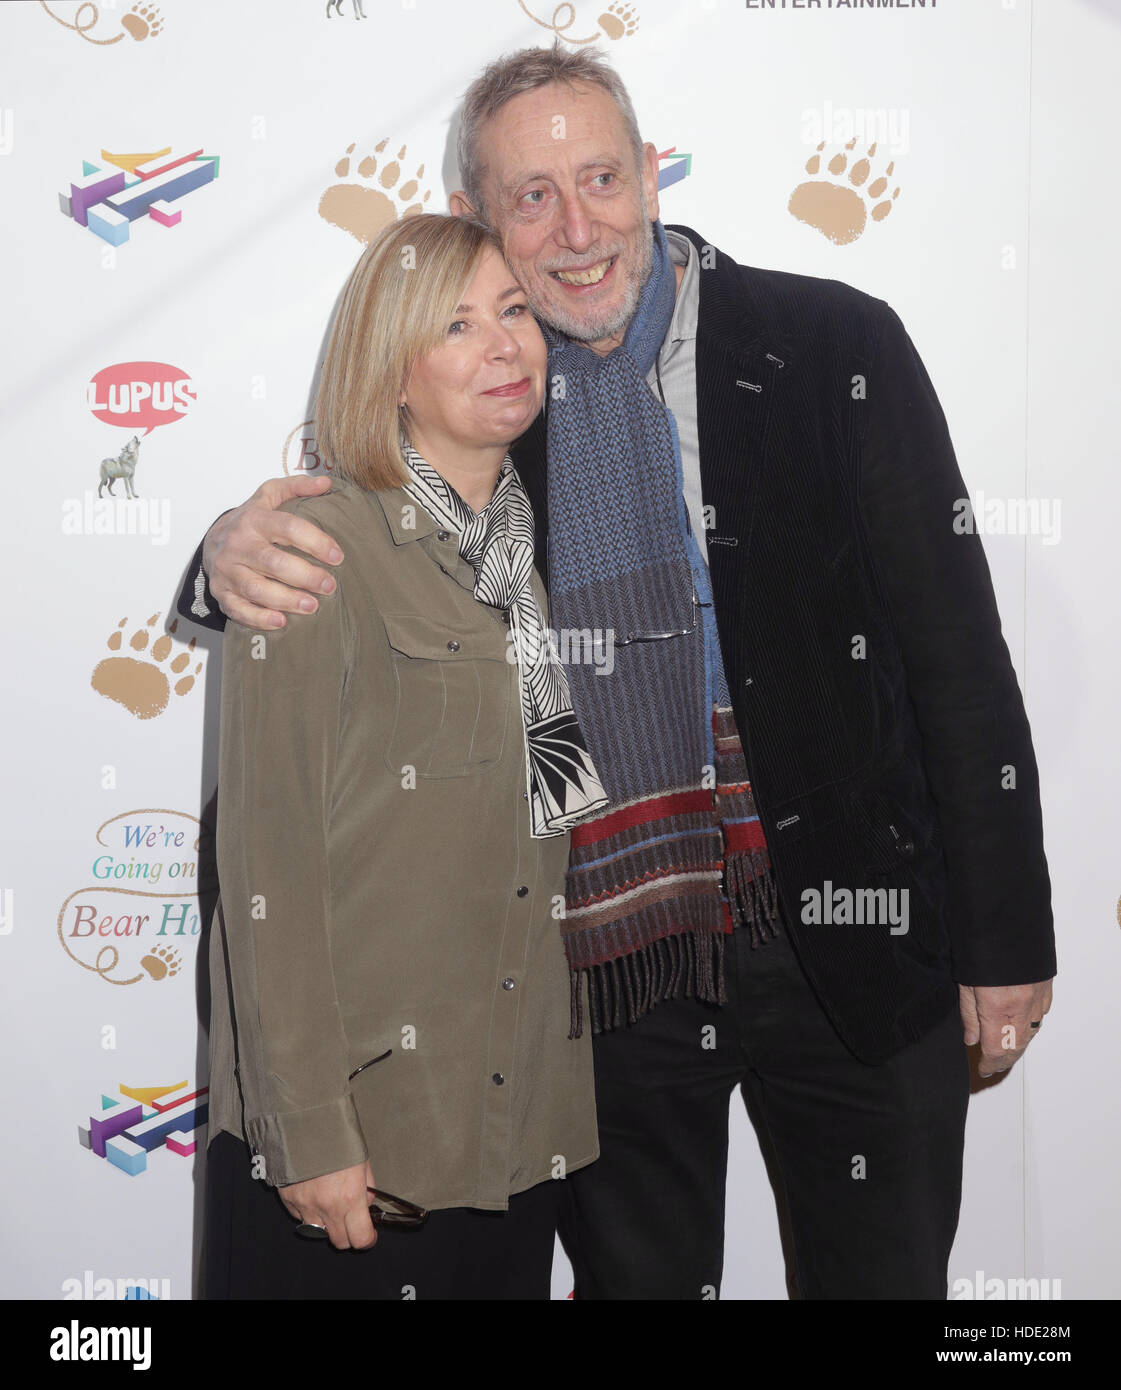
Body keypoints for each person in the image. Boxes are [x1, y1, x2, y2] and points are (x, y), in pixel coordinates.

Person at [183, 45, 1056, 1300]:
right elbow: (367, 516)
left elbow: (959, 657)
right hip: (599, 961)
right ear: (478, 219)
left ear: (651, 175)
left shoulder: (829, 343)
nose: (575, 225)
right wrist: (219, 555)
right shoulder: (494, 387)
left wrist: (1005, 933)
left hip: (851, 935)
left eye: (599, 177)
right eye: (529, 195)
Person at [203, 211, 603, 1301]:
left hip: (513, 1129)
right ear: (388, 373)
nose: (504, 344)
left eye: (513, 311)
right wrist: (310, 1130)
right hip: (362, 1144)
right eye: (456, 325)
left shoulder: (551, 543)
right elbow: (265, 871)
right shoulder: (311, 547)